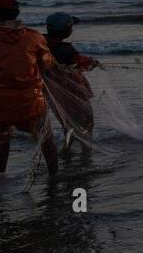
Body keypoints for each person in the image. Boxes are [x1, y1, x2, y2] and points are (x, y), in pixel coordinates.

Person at [0, 0, 58, 179]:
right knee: (45, 138)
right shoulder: (34, 38)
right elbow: (48, 63)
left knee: (1, 139)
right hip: (29, 103)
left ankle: (0, 175)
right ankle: (54, 175)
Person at [43, 12, 101, 158]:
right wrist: (93, 62)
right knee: (87, 123)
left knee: (68, 123)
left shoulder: (41, 44)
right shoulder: (66, 50)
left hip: (54, 92)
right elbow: (82, 62)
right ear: (67, 31)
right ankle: (86, 152)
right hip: (73, 90)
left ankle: (67, 149)